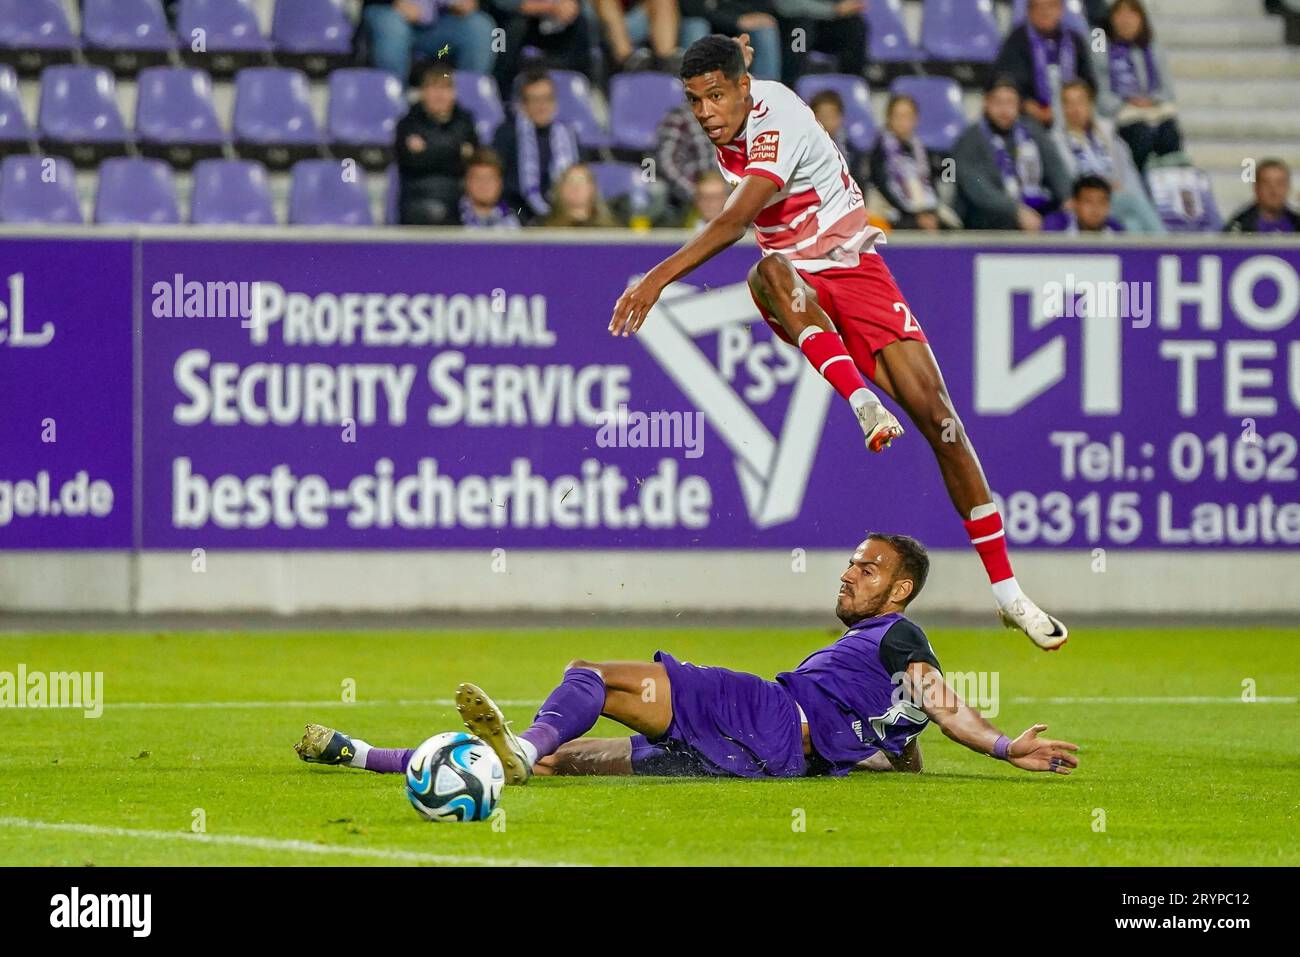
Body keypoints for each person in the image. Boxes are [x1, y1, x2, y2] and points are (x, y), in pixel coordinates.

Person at [607, 36, 1069, 648]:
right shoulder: (735, 116)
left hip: (855, 268)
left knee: (942, 421)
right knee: (765, 270)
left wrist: (656, 280)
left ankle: (1009, 594)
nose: (705, 112)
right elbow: (751, 225)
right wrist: (738, 57)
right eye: (695, 100)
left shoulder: (780, 119)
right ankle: (859, 400)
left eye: (715, 95)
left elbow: (733, 221)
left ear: (744, 88)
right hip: (799, 286)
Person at [295, 535, 1080, 782]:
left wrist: (1007, 744)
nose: (848, 571)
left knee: (590, 677)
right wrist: (872, 760)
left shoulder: (899, 638)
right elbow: (906, 740)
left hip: (763, 712)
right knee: (576, 759)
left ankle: (525, 749)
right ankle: (360, 752)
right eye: (850, 562)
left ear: (902, 588)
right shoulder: (877, 677)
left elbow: (942, 699)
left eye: (867, 568)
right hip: (758, 761)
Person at [952, 76, 1072, 232]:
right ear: (986, 103)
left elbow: (1054, 165)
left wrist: (1067, 197)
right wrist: (1015, 210)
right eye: (998, 103)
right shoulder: (969, 139)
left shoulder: (1032, 130)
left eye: (1010, 103)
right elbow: (977, 189)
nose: (1004, 110)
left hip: (1034, 209)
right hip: (988, 218)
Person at [1053, 79, 1163, 233]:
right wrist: (1105, 185)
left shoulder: (1108, 134)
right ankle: (1167, 246)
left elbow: (1130, 177)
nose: (1075, 109)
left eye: (1080, 102)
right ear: (1062, 108)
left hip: (1117, 199)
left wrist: (1121, 190)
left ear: (1091, 104)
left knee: (1132, 221)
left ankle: (1152, 250)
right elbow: (1066, 180)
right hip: (1086, 200)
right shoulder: (1056, 141)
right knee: (1134, 206)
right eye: (1068, 103)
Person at [1092, 0, 1182, 170]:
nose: (1125, 20)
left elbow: (1168, 89)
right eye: (1120, 15)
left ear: (1141, 19)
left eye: (1131, 14)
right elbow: (1101, 95)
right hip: (1121, 112)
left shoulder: (1152, 47)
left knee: (1169, 133)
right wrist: (1126, 101)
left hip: (1153, 108)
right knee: (1140, 135)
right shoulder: (1101, 50)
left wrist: (1150, 100)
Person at [492, 68, 582, 223]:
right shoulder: (506, 134)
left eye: (547, 99)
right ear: (523, 105)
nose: (542, 106)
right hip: (518, 210)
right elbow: (497, 184)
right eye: (535, 100)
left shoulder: (568, 136)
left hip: (562, 211)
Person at [394, 64, 480, 225]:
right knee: (434, 214)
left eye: (445, 88)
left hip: (461, 197)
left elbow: (473, 162)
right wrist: (456, 150)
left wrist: (428, 150)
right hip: (418, 198)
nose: (439, 95)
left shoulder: (466, 122)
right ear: (422, 93)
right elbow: (412, 163)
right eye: (433, 88)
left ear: (454, 93)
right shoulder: (408, 123)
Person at [993, 0, 1096, 128]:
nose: (1045, 12)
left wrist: (1076, 106)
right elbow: (1005, 82)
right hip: (1030, 119)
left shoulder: (1075, 40)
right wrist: (1028, 106)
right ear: (1029, 12)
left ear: (1060, 10)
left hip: (1072, 115)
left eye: (1050, 7)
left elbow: (1088, 82)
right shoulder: (1017, 41)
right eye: (1038, 8)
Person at [869, 93, 958, 231]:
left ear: (916, 119)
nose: (903, 122)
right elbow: (884, 186)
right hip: (891, 209)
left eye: (908, 116)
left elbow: (932, 183)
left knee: (950, 226)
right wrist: (914, 215)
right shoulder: (879, 149)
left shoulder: (921, 150)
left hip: (924, 208)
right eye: (898, 116)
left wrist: (930, 211)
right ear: (889, 118)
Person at [361, 0, 497, 82]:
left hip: (439, 22)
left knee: (480, 26)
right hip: (388, 12)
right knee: (393, 26)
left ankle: (467, 104)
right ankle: (393, 101)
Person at [487, 0, 595, 97]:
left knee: (583, 18)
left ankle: (586, 92)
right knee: (511, 28)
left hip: (555, 21)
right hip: (508, 21)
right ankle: (503, 96)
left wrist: (570, 4)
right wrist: (547, 7)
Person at [774, 0, 869, 88]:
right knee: (800, 31)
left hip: (821, 22)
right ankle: (791, 86)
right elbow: (787, 6)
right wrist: (834, 10)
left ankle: (850, 86)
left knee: (854, 26)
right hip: (788, 23)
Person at [679, 0, 782, 79]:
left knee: (765, 29)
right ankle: (694, 93)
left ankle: (765, 97)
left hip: (737, 17)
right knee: (695, 26)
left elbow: (762, 6)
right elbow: (690, 8)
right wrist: (735, 20)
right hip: (704, 20)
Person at [656, 101, 717, 217]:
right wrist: (694, 192)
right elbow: (666, 163)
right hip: (689, 195)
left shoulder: (735, 118)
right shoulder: (679, 118)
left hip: (727, 195)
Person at [594, 0, 684, 73]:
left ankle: (667, 62)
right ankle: (628, 62)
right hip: (602, 24)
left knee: (663, 2)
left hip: (637, 19)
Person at [1225, 159, 1300, 234]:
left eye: (1280, 184)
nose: (1274, 191)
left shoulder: (1297, 223)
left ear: (1289, 187)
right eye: (1266, 184)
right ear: (1256, 188)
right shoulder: (1238, 227)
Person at [459, 149, 523, 228]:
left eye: (490, 179)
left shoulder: (515, 218)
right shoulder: (450, 219)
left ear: (500, 183)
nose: (484, 185)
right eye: (478, 178)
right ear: (467, 182)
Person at [541, 163, 620, 226]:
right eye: (570, 181)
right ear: (560, 189)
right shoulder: (541, 228)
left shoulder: (611, 230)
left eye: (582, 181)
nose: (576, 187)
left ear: (592, 188)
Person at [1043, 174, 1124, 233]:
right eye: (1088, 201)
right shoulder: (1057, 225)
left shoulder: (1117, 231)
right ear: (1074, 204)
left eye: (1102, 202)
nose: (1096, 208)